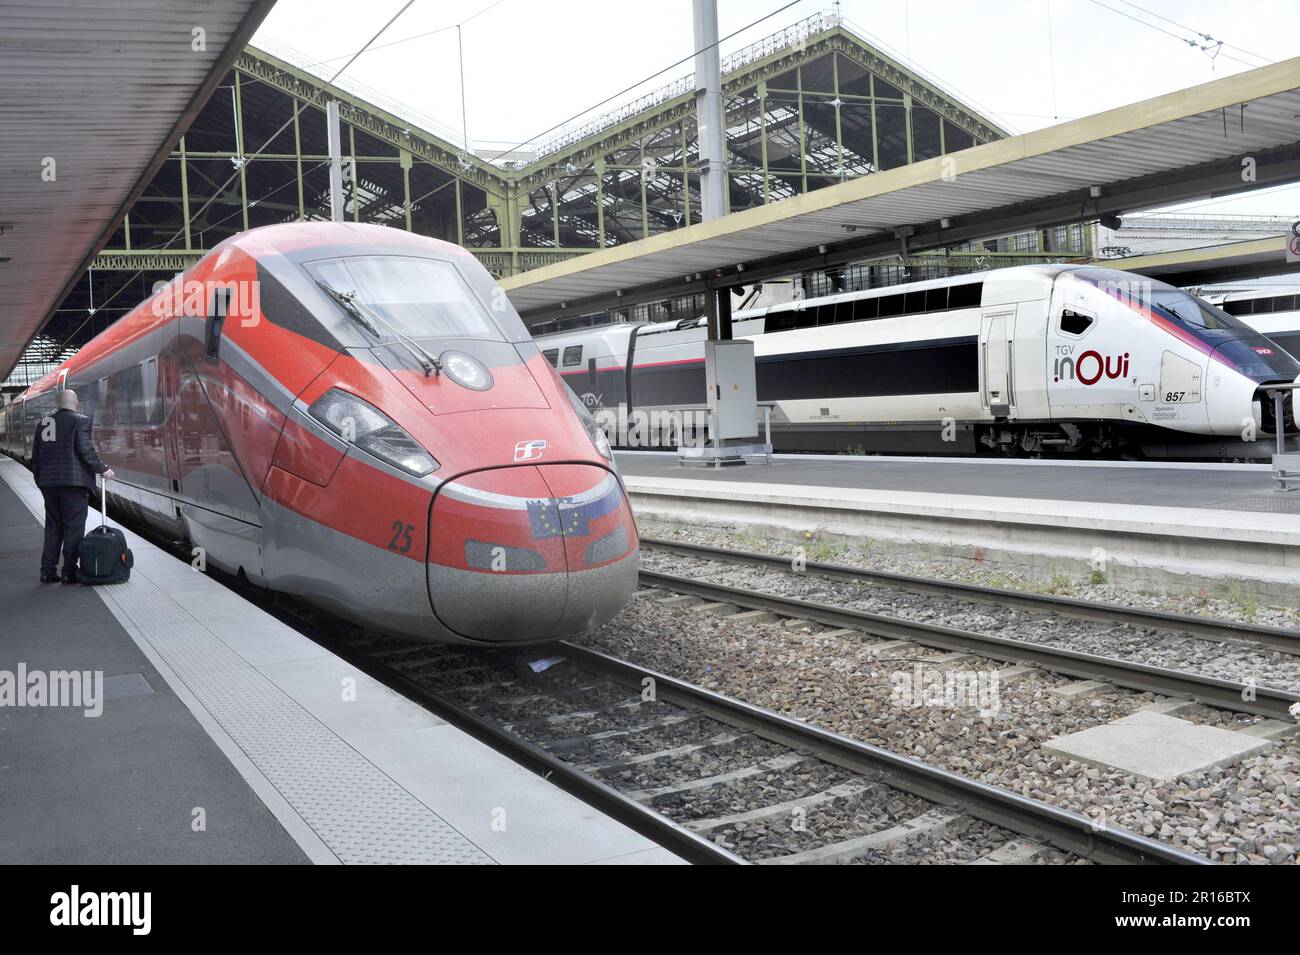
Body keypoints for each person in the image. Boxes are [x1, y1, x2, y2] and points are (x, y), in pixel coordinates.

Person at [30, 389, 115, 584]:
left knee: (53, 528)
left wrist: (40, 480)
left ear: (58, 403)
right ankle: (69, 571)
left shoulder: (44, 423)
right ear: (75, 403)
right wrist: (103, 469)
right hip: (73, 485)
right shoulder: (81, 420)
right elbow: (85, 450)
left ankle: (47, 571)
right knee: (73, 528)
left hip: (49, 484)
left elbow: (36, 456)